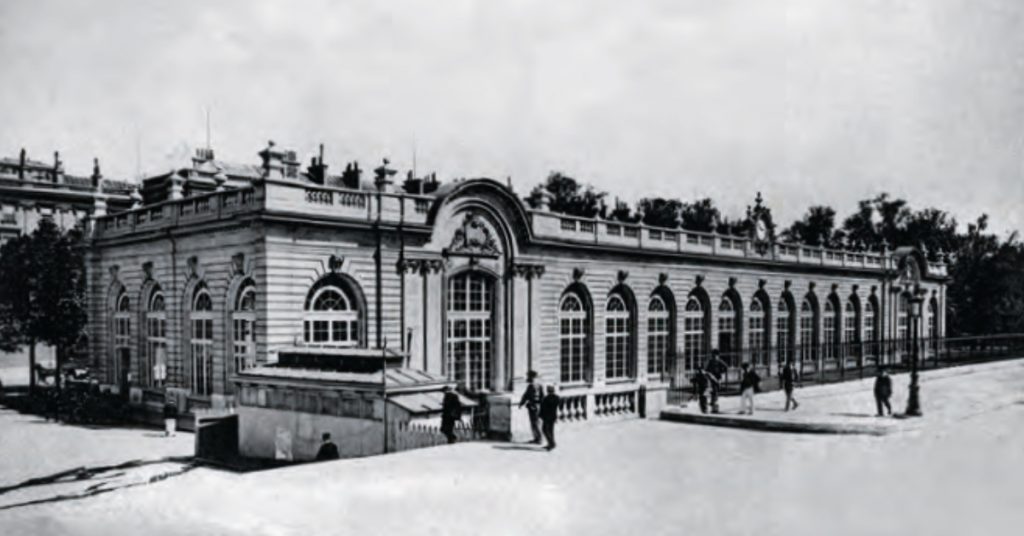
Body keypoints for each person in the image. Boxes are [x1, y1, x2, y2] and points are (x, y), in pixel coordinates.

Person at [518, 370, 543, 444]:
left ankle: (538, 439)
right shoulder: (539, 385)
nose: (527, 378)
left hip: (533, 406)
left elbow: (526, 396)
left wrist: (521, 403)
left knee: (534, 423)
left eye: (528, 376)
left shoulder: (531, 386)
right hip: (538, 406)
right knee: (537, 422)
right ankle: (537, 438)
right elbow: (542, 396)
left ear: (531, 377)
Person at [540, 384, 560, 451]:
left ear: (548, 391)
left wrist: (541, 415)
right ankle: (551, 443)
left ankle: (551, 443)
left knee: (545, 430)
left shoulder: (546, 398)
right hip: (553, 416)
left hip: (546, 417)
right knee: (551, 430)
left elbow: (543, 408)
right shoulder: (557, 398)